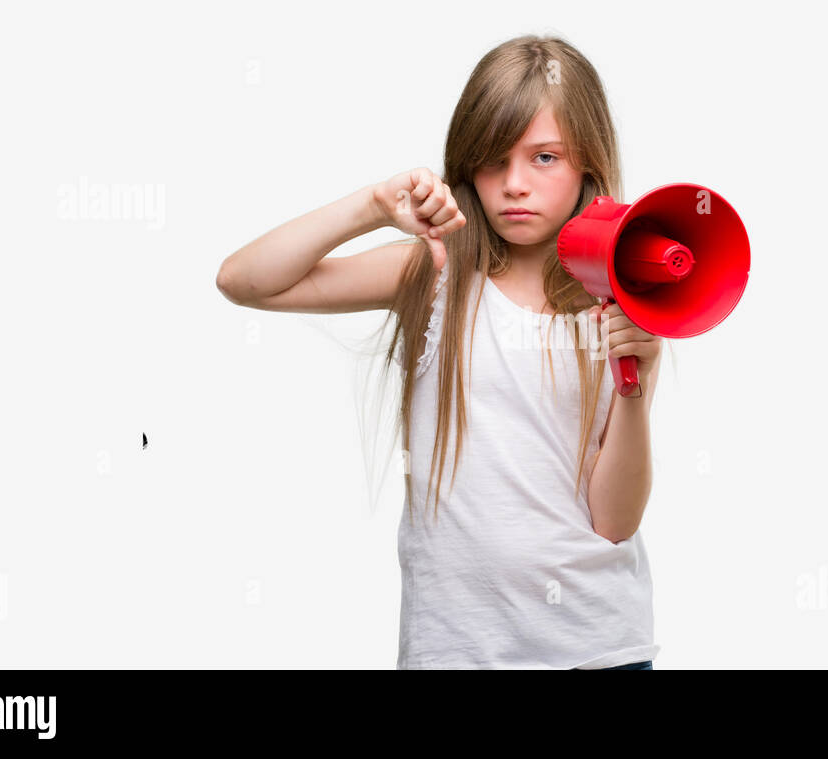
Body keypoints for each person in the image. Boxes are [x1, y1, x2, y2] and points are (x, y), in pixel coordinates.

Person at [216, 35, 660, 670]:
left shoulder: (615, 305)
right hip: (458, 651)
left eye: (543, 158)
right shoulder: (434, 277)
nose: (513, 185)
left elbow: (615, 522)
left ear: (588, 161)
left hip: (597, 647)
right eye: (492, 159)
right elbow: (244, 279)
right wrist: (373, 205)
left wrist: (635, 391)